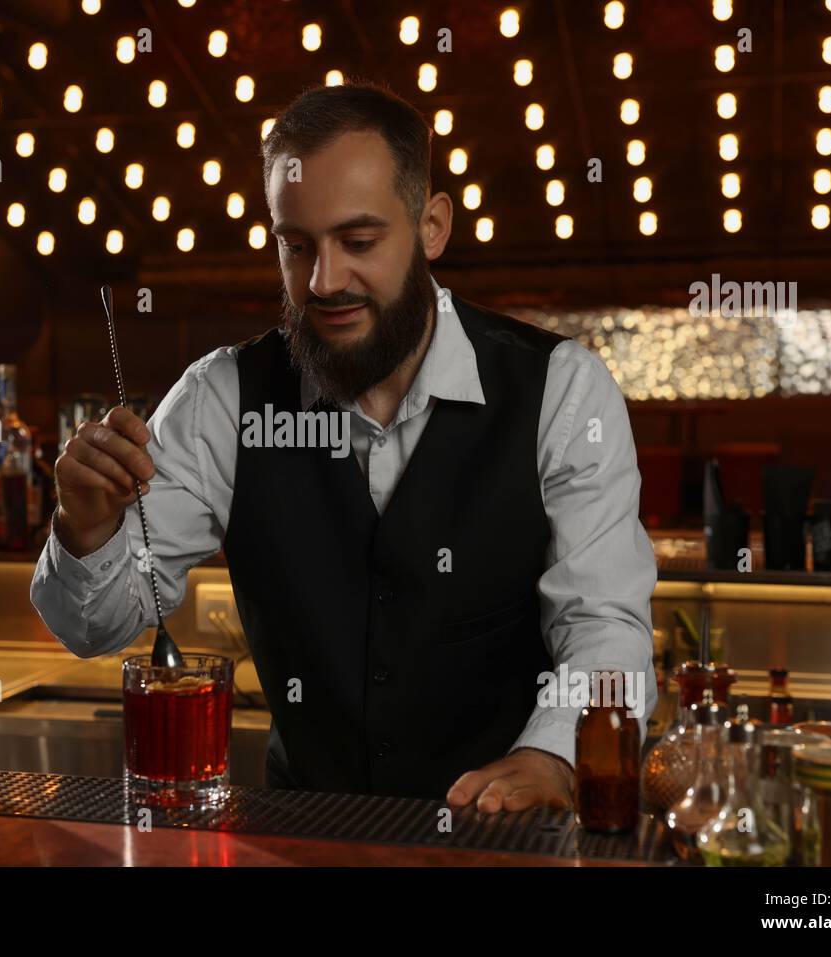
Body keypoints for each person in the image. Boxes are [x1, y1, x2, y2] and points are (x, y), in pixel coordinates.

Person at [32, 81, 656, 812]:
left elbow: (604, 625)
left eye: (358, 242)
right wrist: (85, 526)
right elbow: (92, 626)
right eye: (297, 247)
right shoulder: (221, 397)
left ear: (431, 226)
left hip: (505, 842)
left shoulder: (562, 389)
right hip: (305, 836)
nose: (324, 282)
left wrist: (551, 756)